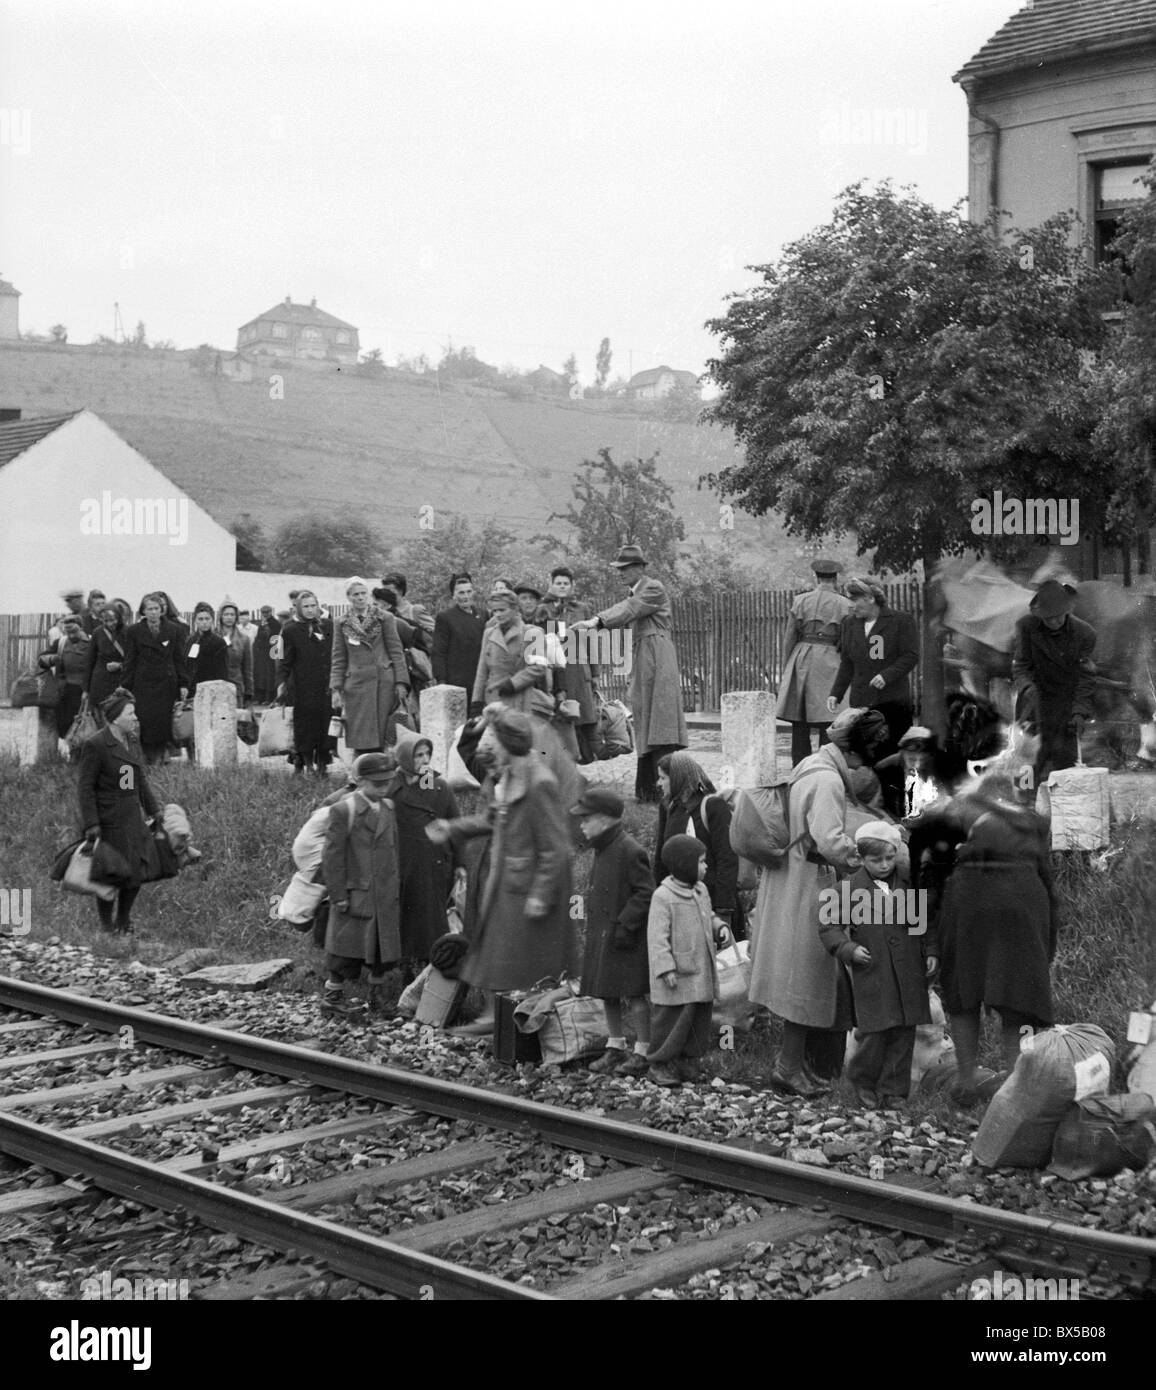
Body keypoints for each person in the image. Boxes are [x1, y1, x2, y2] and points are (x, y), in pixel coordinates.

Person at [748, 706, 892, 1097]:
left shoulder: (809, 766)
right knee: (807, 979)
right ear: (855, 750)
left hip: (789, 879)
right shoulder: (828, 780)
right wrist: (867, 857)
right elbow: (829, 841)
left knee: (797, 978)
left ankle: (793, 1065)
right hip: (811, 886)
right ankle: (788, 1070)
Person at [426, 709, 576, 1033]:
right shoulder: (510, 775)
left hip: (528, 885)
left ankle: (518, 1024)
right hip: (507, 882)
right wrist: (452, 828)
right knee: (499, 951)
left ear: (508, 743)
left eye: (495, 738)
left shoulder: (540, 782)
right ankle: (496, 1020)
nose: (490, 744)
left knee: (524, 958)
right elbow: (491, 820)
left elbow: (556, 847)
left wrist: (541, 894)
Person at [936, 770, 1058, 1108]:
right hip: (1021, 907)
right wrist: (1048, 944)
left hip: (966, 906)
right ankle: (1017, 1086)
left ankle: (965, 1081)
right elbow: (1048, 886)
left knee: (963, 993)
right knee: (1021, 1001)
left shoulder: (958, 821)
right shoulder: (1033, 824)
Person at [819, 821, 938, 1107]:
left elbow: (927, 922)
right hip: (873, 971)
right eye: (876, 860)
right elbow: (828, 926)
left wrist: (931, 951)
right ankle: (862, 1081)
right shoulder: (847, 889)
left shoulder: (911, 883)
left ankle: (894, 1091)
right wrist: (848, 949)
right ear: (861, 859)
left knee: (904, 1031)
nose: (884, 865)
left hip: (908, 971)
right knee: (875, 1032)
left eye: (889, 857)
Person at [571, 544, 688, 802]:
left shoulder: (653, 587)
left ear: (639, 568)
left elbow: (629, 608)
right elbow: (627, 611)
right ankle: (648, 792)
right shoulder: (636, 593)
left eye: (624, 568)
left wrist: (596, 621)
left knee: (660, 721)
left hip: (657, 656)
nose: (620, 572)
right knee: (646, 722)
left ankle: (667, 790)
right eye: (619, 568)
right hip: (644, 656)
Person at [572, 786, 653, 1078]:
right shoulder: (602, 848)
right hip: (604, 933)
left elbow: (646, 892)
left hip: (625, 934)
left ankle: (643, 1050)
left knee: (634, 993)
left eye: (586, 819)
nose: (581, 825)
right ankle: (616, 1044)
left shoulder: (630, 850)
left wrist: (625, 924)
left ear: (605, 820)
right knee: (607, 992)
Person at [320, 752, 403, 1018]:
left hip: (384, 893)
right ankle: (332, 997)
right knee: (344, 950)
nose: (383, 788)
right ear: (360, 781)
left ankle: (376, 996)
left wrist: (395, 885)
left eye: (387, 782)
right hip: (356, 893)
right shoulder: (344, 810)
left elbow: (394, 849)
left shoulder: (388, 808)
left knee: (381, 949)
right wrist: (338, 895)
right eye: (377, 783)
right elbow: (332, 857)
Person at [827, 578, 919, 815]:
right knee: (866, 758)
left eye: (855, 600)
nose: (851, 606)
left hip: (893, 703)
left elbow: (910, 656)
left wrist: (887, 675)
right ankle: (869, 812)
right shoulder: (849, 624)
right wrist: (836, 693)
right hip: (862, 704)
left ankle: (899, 812)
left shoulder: (901, 621)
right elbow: (847, 663)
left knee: (892, 759)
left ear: (870, 598)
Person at [77, 689, 162, 933]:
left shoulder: (132, 741)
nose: (135, 718)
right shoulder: (96, 745)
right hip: (109, 819)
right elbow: (85, 787)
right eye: (130, 713)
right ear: (115, 718)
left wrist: (153, 810)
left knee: (135, 872)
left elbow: (139, 779)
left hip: (132, 816)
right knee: (111, 873)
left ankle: (123, 921)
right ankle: (106, 926)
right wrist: (91, 823)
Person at [645, 835, 722, 1087]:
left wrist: (718, 926)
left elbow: (708, 914)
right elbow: (657, 937)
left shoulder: (701, 890)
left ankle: (688, 1060)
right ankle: (660, 1063)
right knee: (671, 1020)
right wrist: (665, 967)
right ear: (684, 864)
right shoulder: (663, 896)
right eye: (701, 862)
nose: (706, 866)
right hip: (677, 974)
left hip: (700, 969)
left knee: (698, 1018)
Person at [386, 728, 465, 965]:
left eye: (427, 754)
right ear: (404, 758)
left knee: (431, 916)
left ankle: (430, 961)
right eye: (418, 755)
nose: (425, 760)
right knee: (404, 914)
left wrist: (460, 864)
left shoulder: (437, 786)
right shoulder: (390, 786)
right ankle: (403, 962)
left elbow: (455, 826)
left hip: (433, 861)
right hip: (402, 861)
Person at [1012, 579, 1097, 785]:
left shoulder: (1085, 634)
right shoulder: (1026, 627)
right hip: (1035, 702)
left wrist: (1079, 712)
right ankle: (1024, 797)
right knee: (1029, 762)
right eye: (1048, 618)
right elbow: (1020, 666)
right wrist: (1027, 687)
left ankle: (1060, 802)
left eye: (1059, 616)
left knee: (1065, 768)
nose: (1054, 622)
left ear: (1068, 611)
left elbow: (1085, 678)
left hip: (1066, 704)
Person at [655, 751, 745, 941]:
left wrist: (723, 909)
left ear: (678, 778)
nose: (658, 783)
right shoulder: (668, 808)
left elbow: (727, 858)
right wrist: (658, 898)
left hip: (713, 901)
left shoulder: (713, 806)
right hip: (678, 900)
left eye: (663, 778)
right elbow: (661, 857)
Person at [778, 559, 852, 766]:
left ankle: (799, 769)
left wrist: (787, 667)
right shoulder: (845, 604)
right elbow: (847, 640)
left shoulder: (800, 601)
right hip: (832, 661)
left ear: (816, 577)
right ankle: (826, 767)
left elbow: (789, 637)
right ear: (836, 579)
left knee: (799, 720)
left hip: (802, 658)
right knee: (829, 717)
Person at [330, 576, 410, 755]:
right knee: (360, 735)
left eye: (363, 593)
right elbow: (338, 658)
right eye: (355, 594)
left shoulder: (384, 618)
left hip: (383, 683)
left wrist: (401, 683)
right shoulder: (341, 622)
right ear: (348, 597)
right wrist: (336, 688)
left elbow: (396, 651)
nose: (360, 598)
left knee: (384, 734)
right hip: (356, 685)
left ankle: (383, 767)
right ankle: (361, 768)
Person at [535, 566, 600, 764]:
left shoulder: (581, 609)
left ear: (572, 586)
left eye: (566, 583)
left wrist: (595, 673)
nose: (562, 587)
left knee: (583, 717)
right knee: (561, 718)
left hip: (579, 669)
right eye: (558, 583)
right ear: (551, 585)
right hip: (556, 671)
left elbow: (591, 642)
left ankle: (584, 760)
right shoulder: (543, 609)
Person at [121, 594, 188, 763]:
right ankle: (148, 757)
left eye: (156, 608)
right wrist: (125, 686)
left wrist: (183, 683)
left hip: (166, 683)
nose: (153, 612)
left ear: (162, 610)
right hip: (143, 684)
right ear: (143, 611)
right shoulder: (134, 631)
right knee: (145, 720)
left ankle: (161, 757)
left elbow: (179, 659)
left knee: (163, 721)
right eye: (149, 609)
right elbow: (130, 660)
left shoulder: (174, 630)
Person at [277, 590, 334, 776]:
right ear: (298, 608)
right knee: (305, 726)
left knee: (325, 723)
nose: (310, 610)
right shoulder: (289, 629)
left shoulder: (327, 625)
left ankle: (323, 764)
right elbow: (283, 660)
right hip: (302, 686)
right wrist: (281, 683)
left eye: (313, 606)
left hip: (325, 684)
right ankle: (306, 763)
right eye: (306, 606)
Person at [470, 586, 546, 716]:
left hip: (520, 699)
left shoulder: (532, 633)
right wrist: (476, 702)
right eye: (494, 611)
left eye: (502, 610)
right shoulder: (489, 633)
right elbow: (482, 671)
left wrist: (514, 683)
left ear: (515, 609)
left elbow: (539, 667)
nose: (498, 614)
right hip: (493, 700)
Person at [432, 572, 486, 693]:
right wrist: (441, 680)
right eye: (461, 593)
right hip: (456, 680)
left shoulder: (483, 614)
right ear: (454, 596)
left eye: (469, 592)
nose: (466, 596)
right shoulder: (445, 617)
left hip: (480, 678)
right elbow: (439, 651)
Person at [39, 613, 91, 738]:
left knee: (86, 727)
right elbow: (41, 659)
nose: (71, 635)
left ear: (81, 627)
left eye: (74, 631)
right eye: (68, 632)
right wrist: (51, 659)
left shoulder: (92, 642)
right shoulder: (61, 642)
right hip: (65, 692)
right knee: (65, 726)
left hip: (86, 692)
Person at [85, 602, 129, 712]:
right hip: (100, 683)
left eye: (112, 620)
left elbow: (136, 658)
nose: (110, 624)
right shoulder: (97, 633)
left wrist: (120, 665)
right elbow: (90, 661)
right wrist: (85, 690)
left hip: (121, 683)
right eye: (106, 621)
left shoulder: (129, 632)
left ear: (118, 618)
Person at [184, 603, 229, 694]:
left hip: (211, 689)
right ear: (195, 621)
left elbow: (222, 671)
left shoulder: (219, 642)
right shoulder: (190, 640)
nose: (204, 622)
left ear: (212, 620)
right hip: (192, 688)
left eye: (207, 619)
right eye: (200, 619)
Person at [217, 598, 254, 709]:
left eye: (232, 615)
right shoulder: (214, 637)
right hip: (216, 686)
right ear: (221, 616)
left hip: (236, 686)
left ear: (236, 617)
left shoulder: (244, 639)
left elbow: (247, 668)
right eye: (226, 614)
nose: (229, 617)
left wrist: (249, 691)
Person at [252, 606, 282, 703]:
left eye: (267, 612)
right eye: (263, 612)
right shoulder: (262, 623)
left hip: (271, 652)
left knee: (270, 675)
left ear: (270, 612)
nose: (265, 614)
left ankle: (269, 698)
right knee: (261, 675)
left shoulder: (275, 623)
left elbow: (275, 638)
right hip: (262, 653)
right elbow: (258, 637)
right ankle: (261, 698)